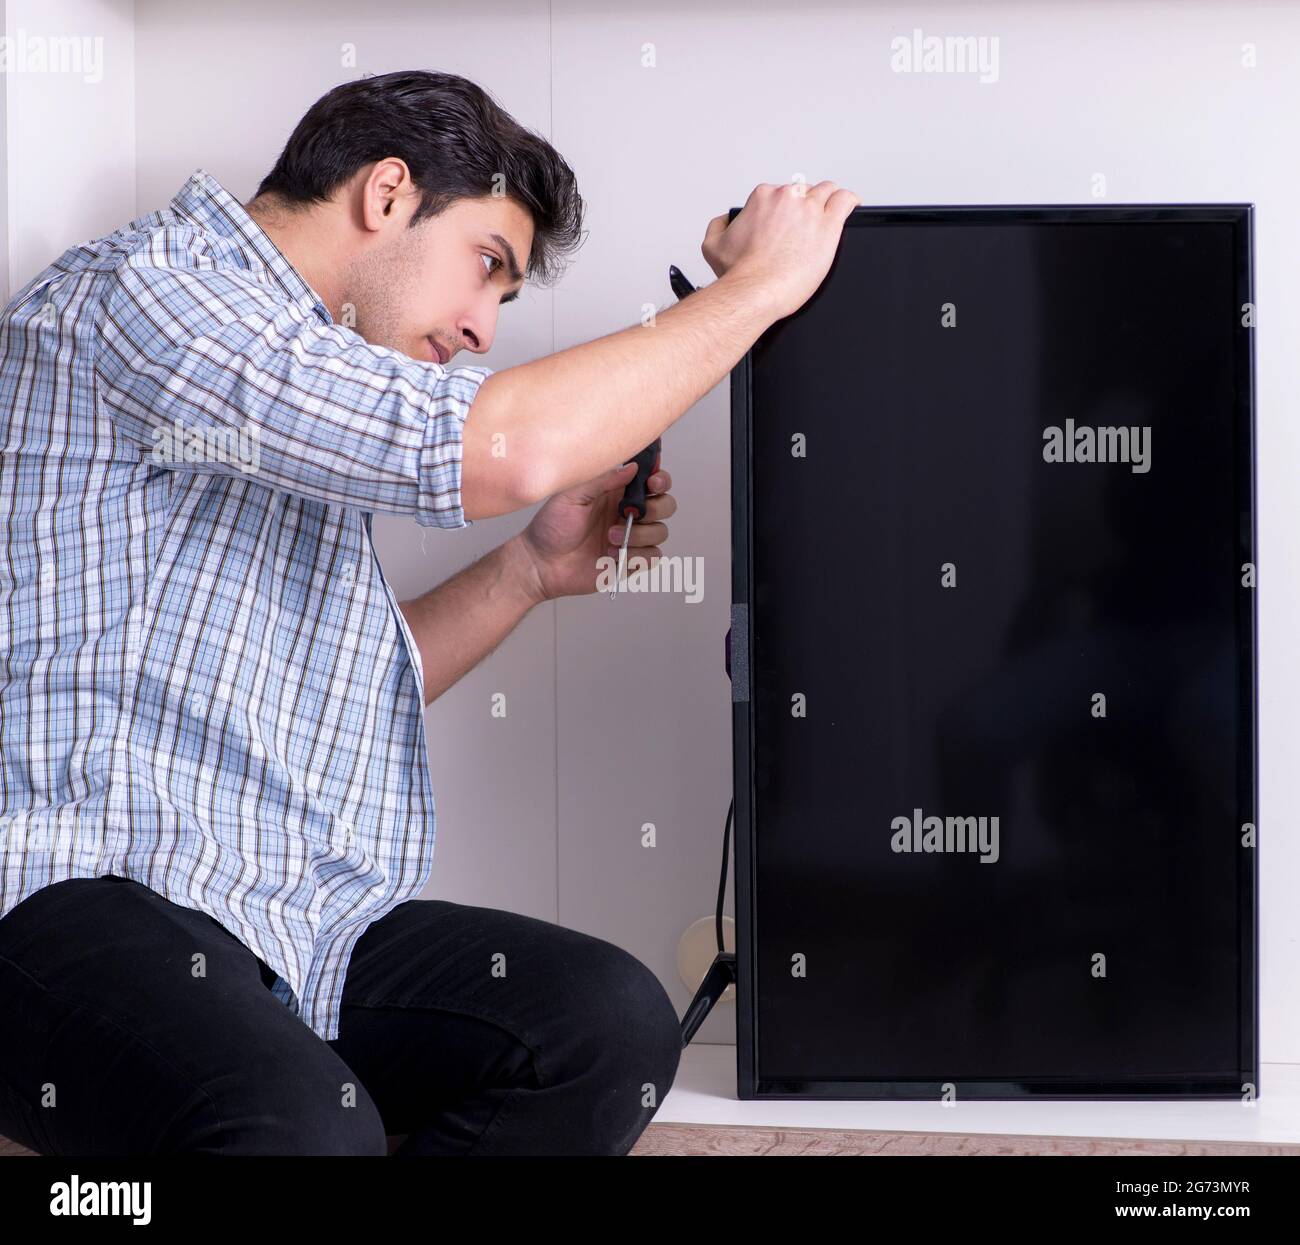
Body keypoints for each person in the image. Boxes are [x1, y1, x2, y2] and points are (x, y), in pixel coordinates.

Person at [0, 69, 858, 1156]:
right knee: (304, 1128)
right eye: (487, 268)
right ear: (388, 192)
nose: (480, 328)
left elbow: (346, 682)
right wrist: (756, 291)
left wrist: (525, 574)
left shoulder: (296, 385)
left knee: (598, 1023)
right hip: (65, 898)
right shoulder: (156, 294)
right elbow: (512, 448)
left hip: (279, 908)